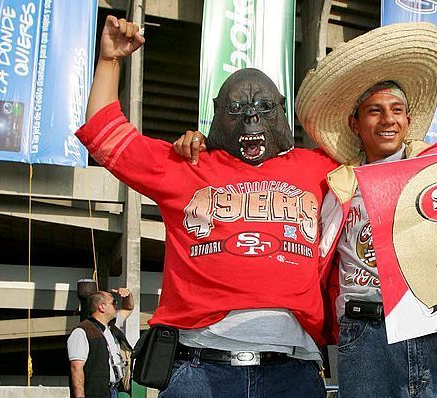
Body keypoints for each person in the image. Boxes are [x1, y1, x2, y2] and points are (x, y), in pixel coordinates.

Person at [175, 22, 437, 398]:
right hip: (365, 340)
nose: (388, 119)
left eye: (397, 110)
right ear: (355, 123)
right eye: (374, 111)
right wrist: (214, 144)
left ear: (407, 119)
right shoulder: (332, 181)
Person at [76, 15, 337, 398]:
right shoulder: (187, 165)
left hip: (292, 372)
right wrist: (110, 60)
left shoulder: (318, 166)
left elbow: (381, 147)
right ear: (216, 113)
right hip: (199, 367)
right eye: (238, 108)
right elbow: (103, 134)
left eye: (265, 107)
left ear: (282, 111)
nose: (252, 118)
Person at [68, 288, 134, 398]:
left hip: (113, 391)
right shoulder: (82, 331)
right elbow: (76, 368)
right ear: (102, 307)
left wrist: (128, 295)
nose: (116, 306)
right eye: (114, 302)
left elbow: (128, 308)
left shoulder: (112, 327)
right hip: (95, 393)